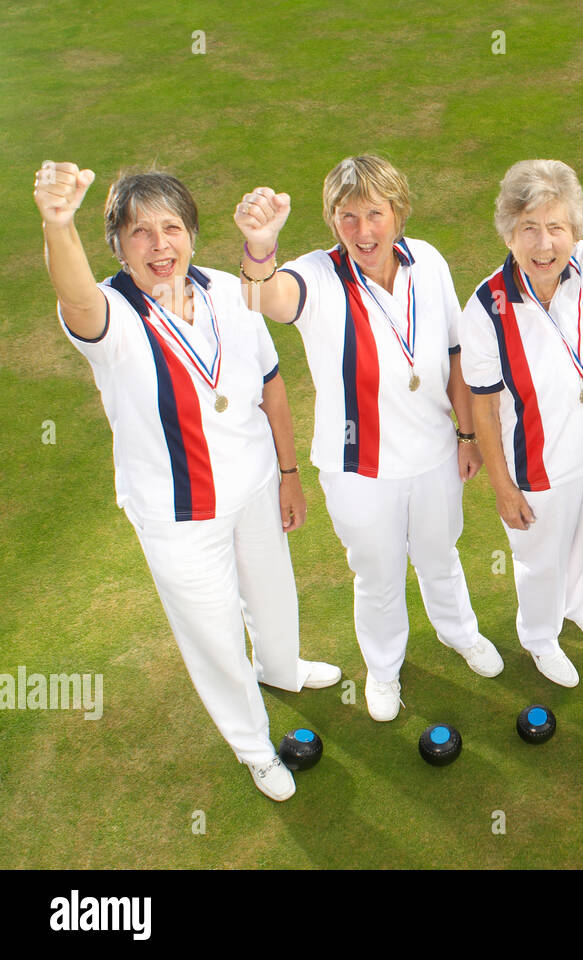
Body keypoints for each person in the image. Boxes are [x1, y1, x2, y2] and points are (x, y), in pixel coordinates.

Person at [34, 162, 341, 802]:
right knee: (214, 638)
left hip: (256, 488)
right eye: (139, 233)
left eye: (171, 227)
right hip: (178, 516)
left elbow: (271, 387)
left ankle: (281, 670)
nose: (159, 245)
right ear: (117, 247)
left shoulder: (231, 290)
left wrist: (289, 474)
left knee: (277, 599)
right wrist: (57, 224)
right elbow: (76, 298)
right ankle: (256, 749)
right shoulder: (114, 315)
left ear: (192, 236)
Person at [233, 155, 503, 722]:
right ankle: (383, 670)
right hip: (358, 467)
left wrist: (467, 433)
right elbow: (264, 297)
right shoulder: (314, 274)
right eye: (348, 216)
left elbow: (455, 354)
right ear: (333, 221)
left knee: (439, 554)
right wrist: (261, 246)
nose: (363, 231)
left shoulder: (427, 261)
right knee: (378, 573)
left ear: (397, 214)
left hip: (434, 453)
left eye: (374, 214)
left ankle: (461, 633)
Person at [461, 159, 583, 687]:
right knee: (538, 559)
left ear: (574, 231)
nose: (544, 244)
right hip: (537, 464)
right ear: (509, 233)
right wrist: (502, 486)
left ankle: (577, 603)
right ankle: (540, 635)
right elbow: (483, 405)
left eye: (556, 227)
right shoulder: (484, 307)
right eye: (529, 228)